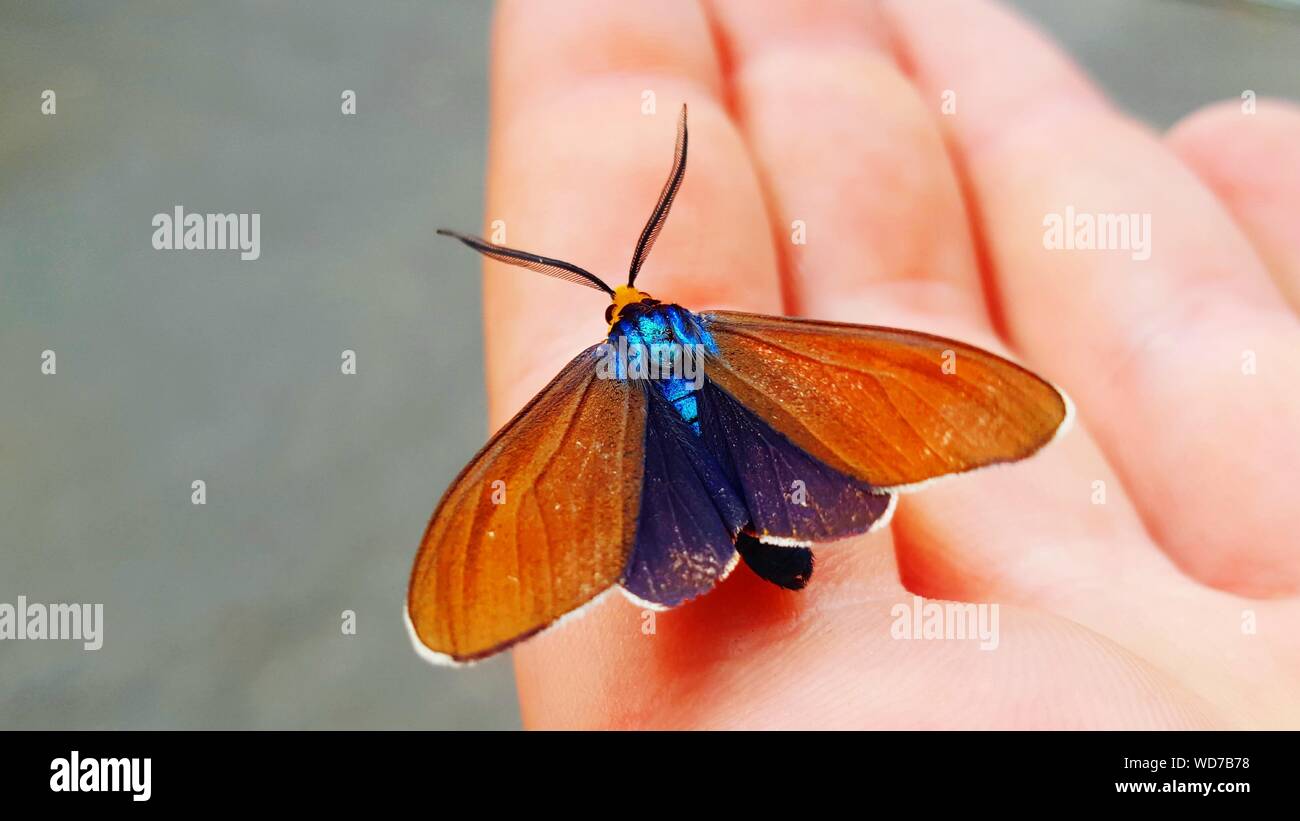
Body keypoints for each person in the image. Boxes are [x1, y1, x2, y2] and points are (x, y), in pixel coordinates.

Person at [474, 0, 1300, 728]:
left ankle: (712, 512)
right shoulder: (727, 338)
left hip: (686, 520)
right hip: (774, 493)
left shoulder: (595, 380)